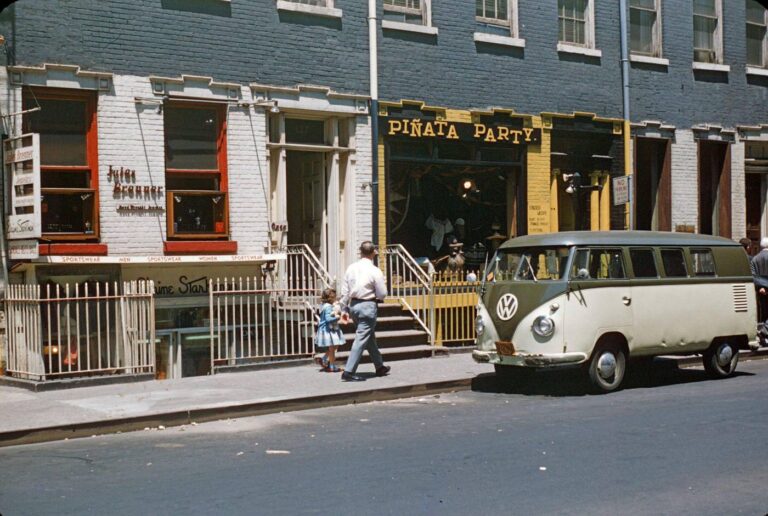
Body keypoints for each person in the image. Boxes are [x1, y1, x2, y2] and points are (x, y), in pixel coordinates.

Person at [339, 241, 390, 382]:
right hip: (368, 305)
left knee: (369, 337)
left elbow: (344, 291)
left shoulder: (351, 268)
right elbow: (382, 294)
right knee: (361, 338)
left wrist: (344, 308)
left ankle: (379, 366)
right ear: (373, 252)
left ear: (360, 252)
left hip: (354, 305)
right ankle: (348, 372)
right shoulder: (375, 270)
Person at [314, 288, 345, 373]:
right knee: (332, 348)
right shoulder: (328, 307)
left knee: (335, 347)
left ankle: (324, 359)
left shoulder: (325, 306)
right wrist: (337, 317)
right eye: (334, 297)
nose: (335, 298)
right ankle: (332, 366)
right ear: (330, 298)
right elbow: (328, 319)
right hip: (329, 330)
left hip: (329, 329)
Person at [750, 237, 768, 338]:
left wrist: (761, 287)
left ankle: (764, 333)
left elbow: (753, 275)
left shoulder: (755, 258)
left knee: (764, 312)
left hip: (760, 290)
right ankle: (765, 331)